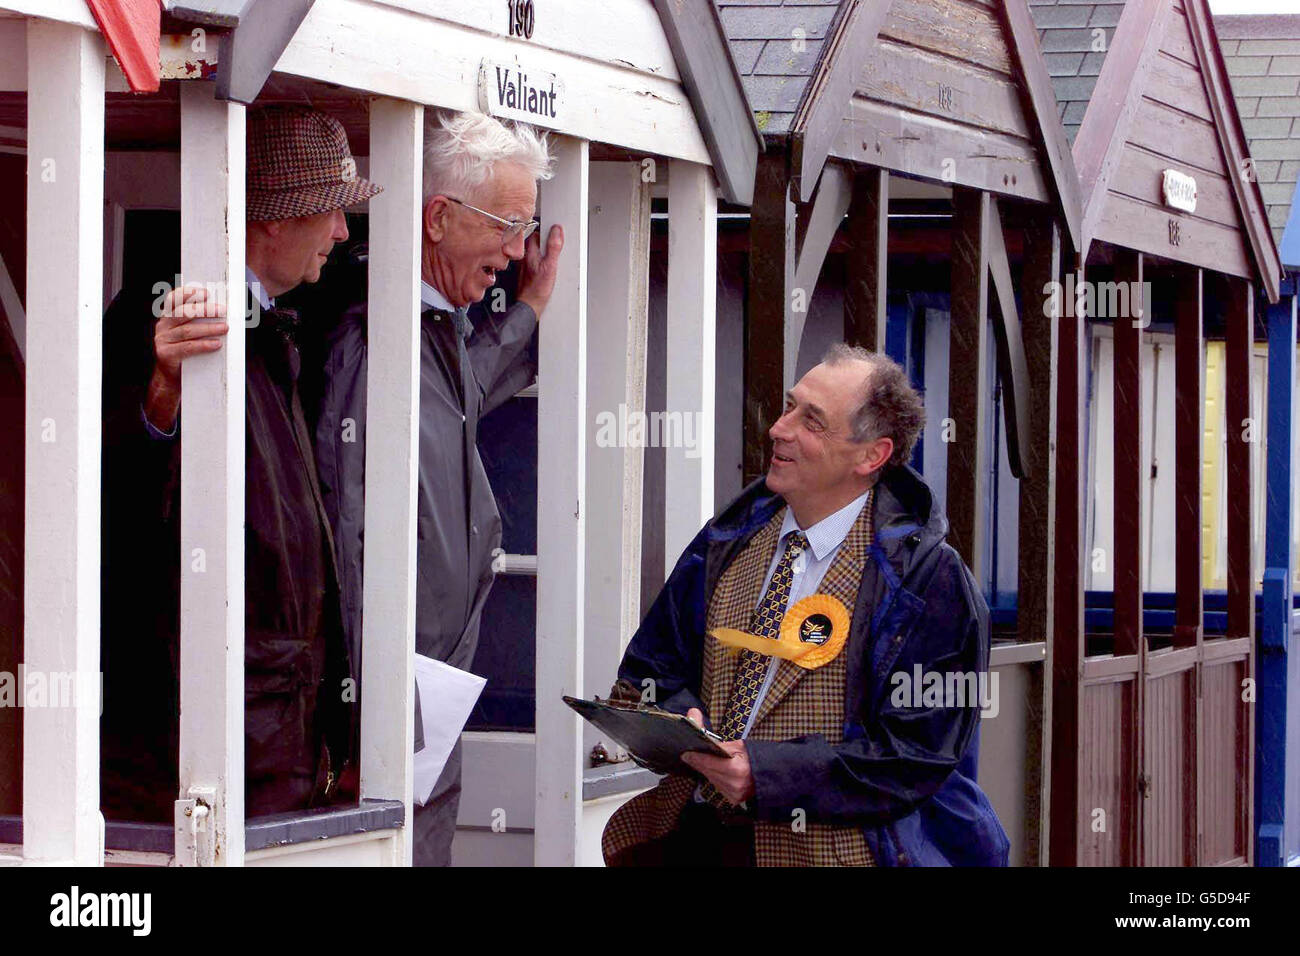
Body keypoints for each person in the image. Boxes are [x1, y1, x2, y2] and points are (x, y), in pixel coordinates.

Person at [602, 345, 1010, 866]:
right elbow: (646, 673)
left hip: (836, 855)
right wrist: (682, 720)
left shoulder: (932, 580)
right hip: (697, 839)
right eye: (790, 406)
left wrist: (766, 773)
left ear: (872, 456)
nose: (779, 428)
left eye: (811, 421)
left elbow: (915, 757)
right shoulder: (726, 541)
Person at [99, 107, 382, 821]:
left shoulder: (269, 323)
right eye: (331, 211)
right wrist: (162, 388)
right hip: (211, 748)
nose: (344, 232)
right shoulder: (168, 320)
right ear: (276, 220)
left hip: (269, 738)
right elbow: (111, 501)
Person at [314, 109, 564, 866]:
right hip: (386, 720)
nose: (518, 252)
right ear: (437, 218)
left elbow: (457, 399)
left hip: (424, 709)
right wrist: (356, 725)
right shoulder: (371, 339)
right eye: (508, 226)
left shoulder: (430, 329)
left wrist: (529, 312)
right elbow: (349, 545)